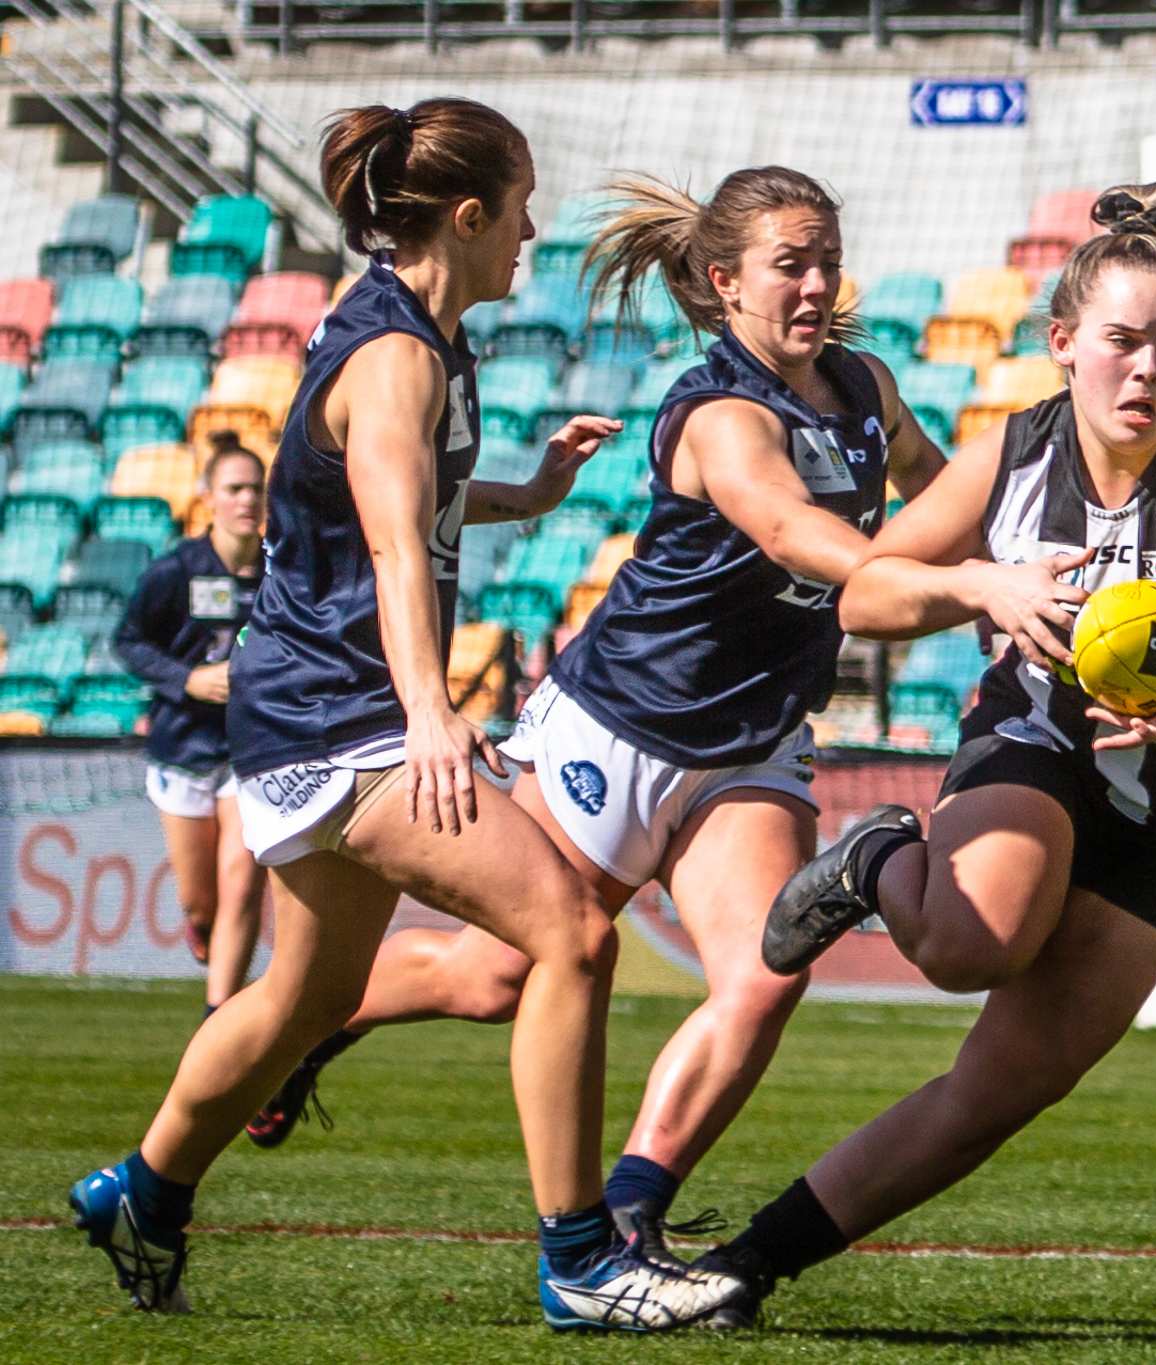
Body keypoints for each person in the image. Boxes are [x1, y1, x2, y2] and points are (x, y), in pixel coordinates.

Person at [69, 97, 734, 1332]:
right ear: (469, 217)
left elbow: (397, 499)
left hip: (306, 712)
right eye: (522, 209)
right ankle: (583, 1261)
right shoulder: (396, 356)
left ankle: (143, 1192)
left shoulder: (415, 337)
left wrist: (521, 491)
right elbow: (384, 539)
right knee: (573, 939)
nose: (532, 234)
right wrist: (429, 712)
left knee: (306, 1002)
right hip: (345, 716)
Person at [243, 165, 948, 1272]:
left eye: (825, 260)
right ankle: (311, 1024)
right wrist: (967, 592)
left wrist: (1016, 560)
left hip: (750, 741)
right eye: (788, 265)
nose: (815, 285)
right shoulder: (720, 413)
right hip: (618, 730)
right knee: (495, 976)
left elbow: (933, 487)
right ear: (723, 283)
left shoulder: (864, 385)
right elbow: (798, 538)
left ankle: (628, 1211)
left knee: (767, 974)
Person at [683, 170, 1156, 1327]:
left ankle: (745, 1265)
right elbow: (865, 598)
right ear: (1063, 344)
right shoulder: (1009, 457)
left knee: (996, 1094)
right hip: (1035, 739)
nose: (1145, 371)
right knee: (964, 943)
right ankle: (880, 857)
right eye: (1122, 343)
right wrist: (979, 582)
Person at [115, 433, 268, 1011]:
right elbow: (128, 641)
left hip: (250, 748)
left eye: (256, 488)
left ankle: (217, 1016)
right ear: (208, 498)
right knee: (201, 902)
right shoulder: (175, 569)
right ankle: (200, 927)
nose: (247, 499)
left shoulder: (281, 573)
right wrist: (186, 679)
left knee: (243, 881)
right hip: (182, 745)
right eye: (234, 488)